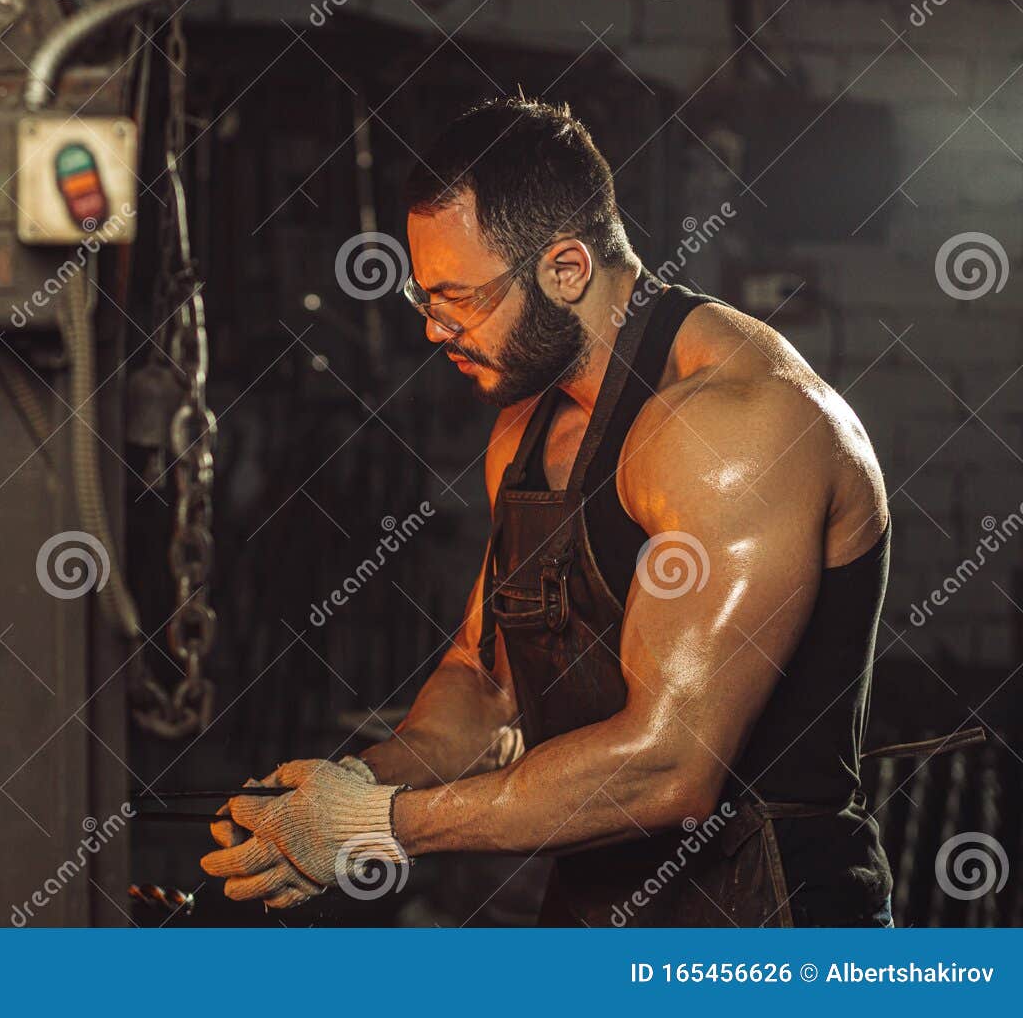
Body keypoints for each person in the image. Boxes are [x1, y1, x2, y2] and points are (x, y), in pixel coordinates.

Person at [201, 96, 897, 926]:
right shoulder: (527, 430)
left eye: (458, 298)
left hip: (767, 927)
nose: (434, 330)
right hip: (594, 914)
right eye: (427, 299)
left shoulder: (736, 425)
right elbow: (483, 678)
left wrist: (376, 826)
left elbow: (669, 768)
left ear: (566, 269)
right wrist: (354, 784)